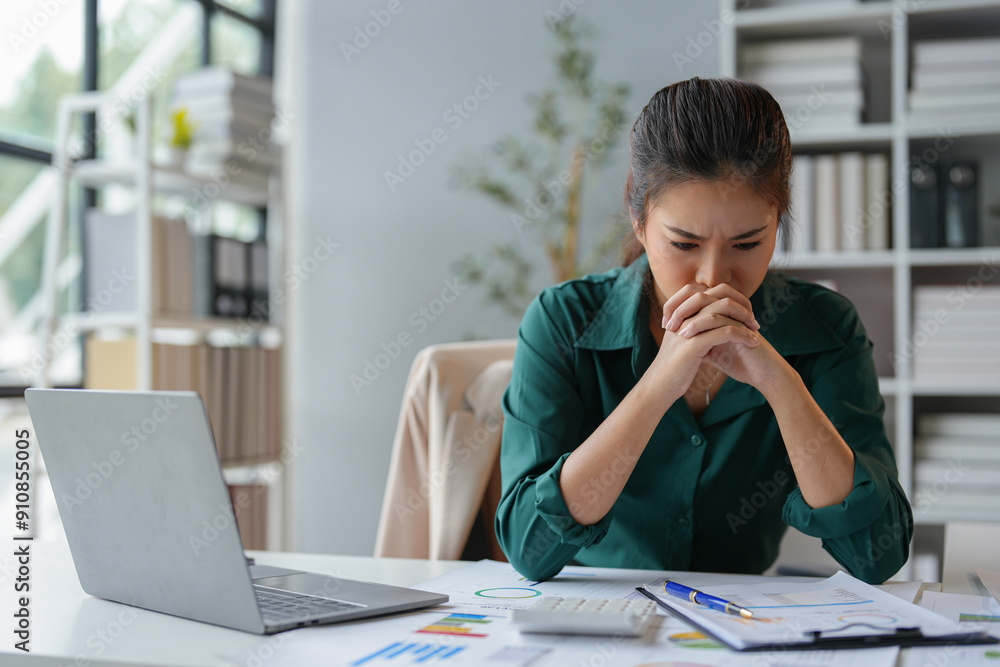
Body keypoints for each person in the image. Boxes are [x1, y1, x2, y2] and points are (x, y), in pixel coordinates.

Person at [494, 77, 912, 584]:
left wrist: (779, 384)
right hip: (596, 621)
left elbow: (877, 554)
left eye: (746, 244)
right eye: (684, 244)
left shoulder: (827, 328)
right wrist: (656, 387)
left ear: (778, 221)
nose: (713, 278)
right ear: (638, 217)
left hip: (744, 628)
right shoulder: (561, 321)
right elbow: (527, 546)